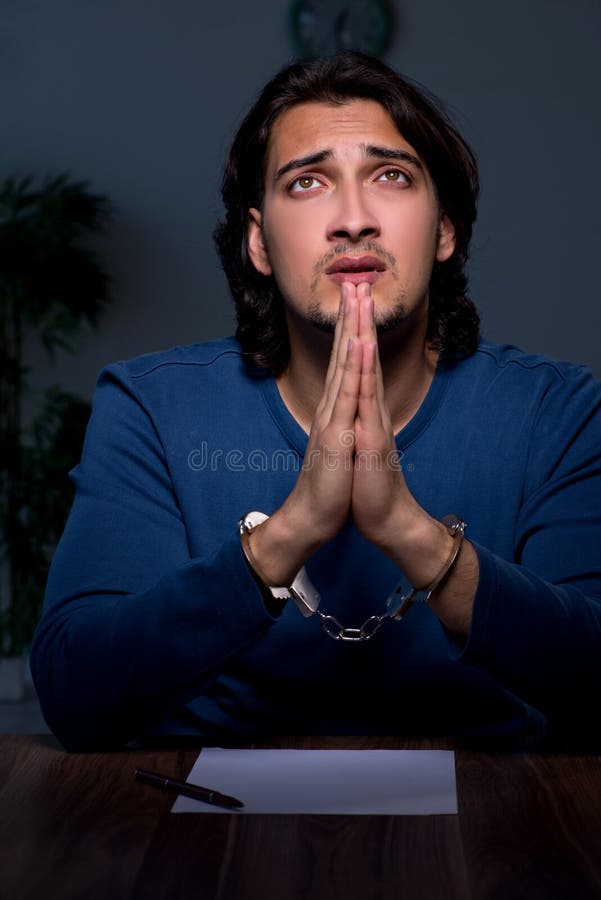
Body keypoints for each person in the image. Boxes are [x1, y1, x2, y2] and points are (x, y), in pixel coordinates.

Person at [31, 52, 601, 751]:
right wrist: (290, 531)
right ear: (259, 241)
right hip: (208, 833)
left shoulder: (554, 410)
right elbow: (74, 693)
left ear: (444, 231)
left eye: (389, 176)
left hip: (482, 831)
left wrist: (408, 531)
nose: (352, 219)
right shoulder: (151, 406)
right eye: (307, 183)